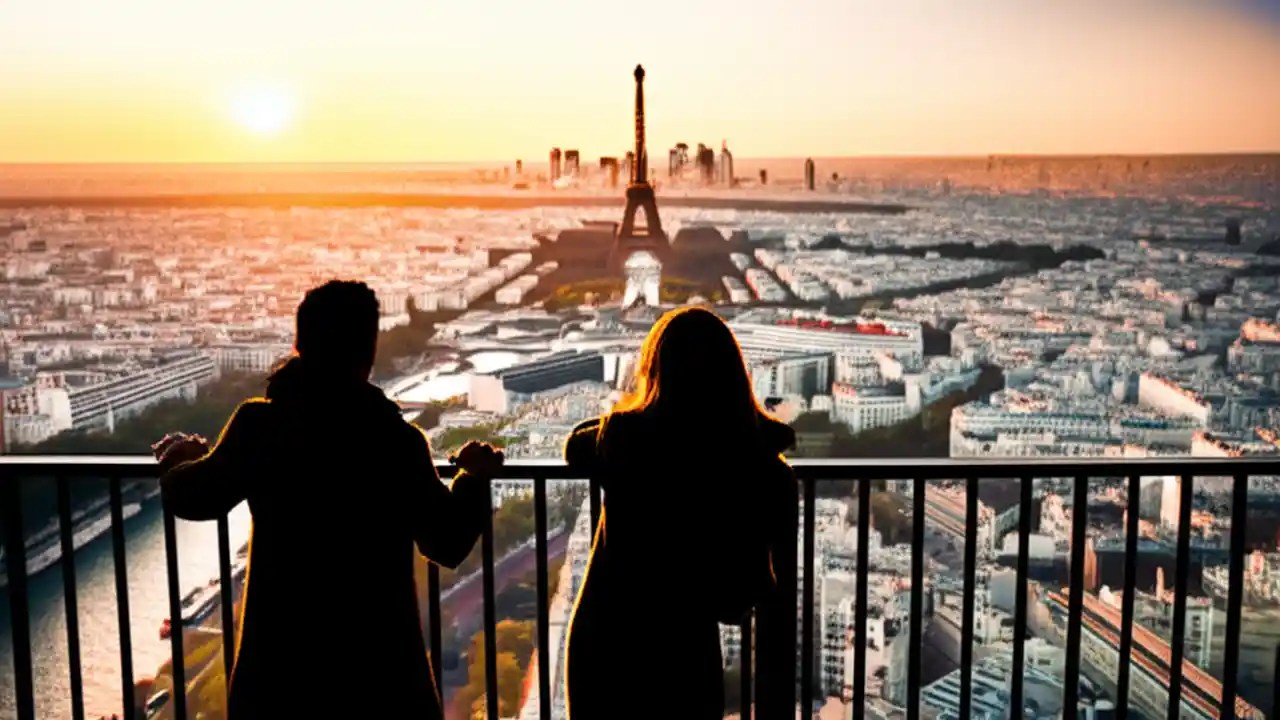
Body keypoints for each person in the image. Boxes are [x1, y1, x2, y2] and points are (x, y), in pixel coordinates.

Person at [152, 280, 503, 720]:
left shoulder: (262, 425)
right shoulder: (394, 441)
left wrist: (178, 458)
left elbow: (193, 497)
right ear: (369, 350)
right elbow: (446, 543)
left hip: (280, 671)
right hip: (380, 672)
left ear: (300, 343)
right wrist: (473, 478)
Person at [561, 306, 798, 720]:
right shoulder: (758, 465)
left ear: (656, 371)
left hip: (608, 640)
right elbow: (756, 598)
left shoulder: (624, 438)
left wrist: (639, 408)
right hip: (685, 648)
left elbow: (576, 446)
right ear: (733, 376)